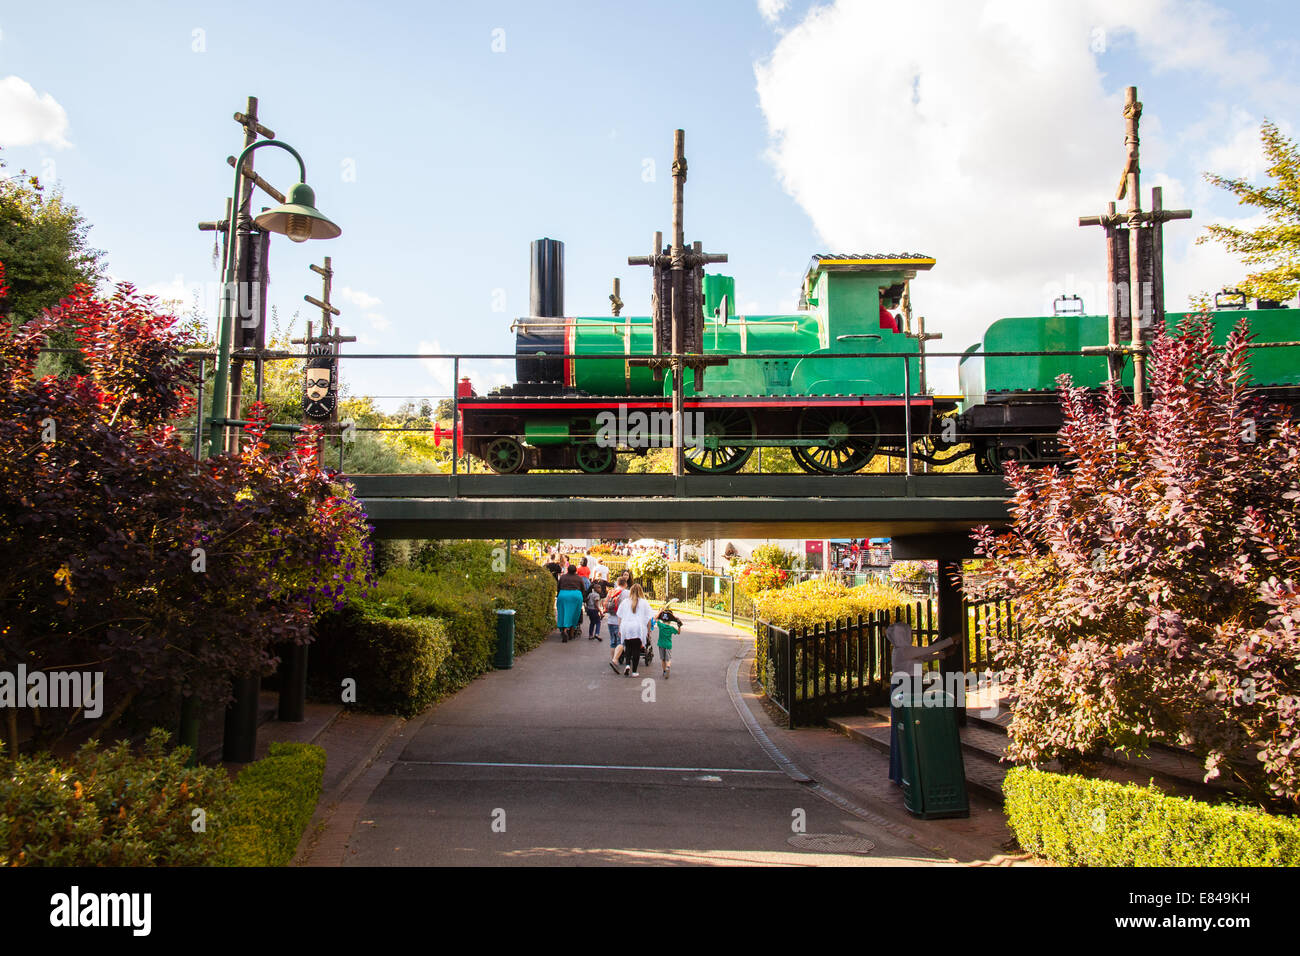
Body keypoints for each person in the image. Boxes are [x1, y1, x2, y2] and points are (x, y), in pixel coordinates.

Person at [610, 583, 654, 677]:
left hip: (626, 627)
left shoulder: (625, 602)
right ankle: (634, 671)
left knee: (628, 648)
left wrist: (620, 628)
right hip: (638, 628)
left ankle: (627, 666)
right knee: (636, 650)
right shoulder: (644, 603)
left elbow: (619, 616)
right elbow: (649, 619)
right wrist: (648, 631)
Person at [556, 563, 586, 642]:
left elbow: (558, 587)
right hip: (575, 595)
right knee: (574, 614)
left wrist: (560, 594)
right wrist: (582, 596)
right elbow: (583, 589)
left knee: (562, 613)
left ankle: (564, 630)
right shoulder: (579, 578)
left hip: (563, 594)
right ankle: (571, 633)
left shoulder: (563, 577)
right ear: (575, 571)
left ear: (567, 570)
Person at [654, 605, 683, 679]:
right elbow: (678, 632)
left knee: (663, 659)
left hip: (661, 644)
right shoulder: (671, 628)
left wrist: (660, 611)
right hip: (668, 645)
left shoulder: (661, 625)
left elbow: (655, 618)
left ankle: (664, 671)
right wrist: (679, 625)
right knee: (668, 659)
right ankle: (668, 667)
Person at [604, 572, 629, 659]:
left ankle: (613, 659)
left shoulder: (611, 592)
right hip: (620, 621)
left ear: (617, 583)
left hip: (610, 620)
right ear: (625, 584)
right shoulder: (627, 593)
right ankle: (615, 660)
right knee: (620, 642)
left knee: (613, 642)